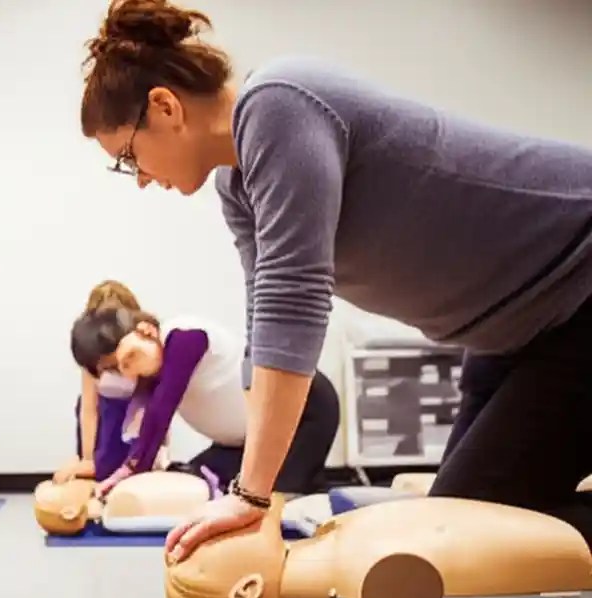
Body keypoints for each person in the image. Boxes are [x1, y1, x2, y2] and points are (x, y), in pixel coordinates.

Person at [77, 0, 592, 562]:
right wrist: (253, 493)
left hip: (578, 286)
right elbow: (263, 327)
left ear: (165, 106)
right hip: (513, 333)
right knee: (455, 527)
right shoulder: (236, 185)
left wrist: (250, 494)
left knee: (470, 546)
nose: (141, 180)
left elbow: (294, 303)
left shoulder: (280, 103)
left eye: (129, 157)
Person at [70, 307, 339, 497]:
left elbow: (160, 411)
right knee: (192, 480)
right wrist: (118, 475)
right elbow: (140, 434)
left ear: (146, 330)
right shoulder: (149, 375)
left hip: (305, 415)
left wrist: (129, 470)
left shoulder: (185, 338)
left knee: (275, 497)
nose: (129, 371)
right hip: (239, 446)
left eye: (130, 357)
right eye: (118, 368)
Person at [54, 280, 146, 485]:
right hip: (106, 419)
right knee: (102, 468)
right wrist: (88, 460)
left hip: (134, 416)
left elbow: (156, 405)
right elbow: (89, 409)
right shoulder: (93, 354)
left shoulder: (140, 351)